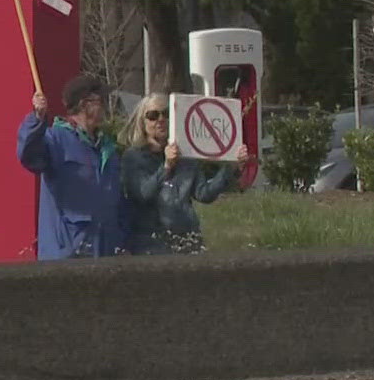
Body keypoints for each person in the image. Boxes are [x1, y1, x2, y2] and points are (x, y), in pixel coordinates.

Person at [117, 93, 248, 255]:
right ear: (142, 123)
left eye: (166, 114)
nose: (161, 120)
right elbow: (143, 194)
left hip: (186, 241)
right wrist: (166, 167)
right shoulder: (133, 157)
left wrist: (231, 168)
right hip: (151, 243)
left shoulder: (185, 155)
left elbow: (203, 193)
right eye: (152, 116)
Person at [17, 73, 127, 260]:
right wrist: (37, 118)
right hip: (66, 255)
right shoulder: (56, 140)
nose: (106, 107)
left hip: (105, 255)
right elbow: (28, 155)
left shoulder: (107, 148)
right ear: (85, 105)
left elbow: (118, 202)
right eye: (101, 101)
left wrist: (123, 240)